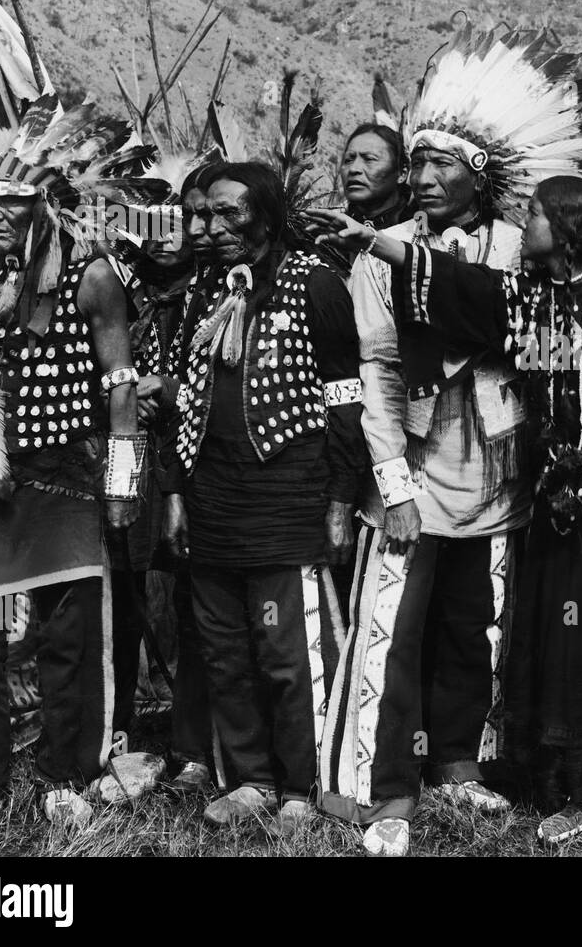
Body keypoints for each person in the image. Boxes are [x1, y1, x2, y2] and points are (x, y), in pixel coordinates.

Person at [309, 20, 582, 856]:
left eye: (445, 164)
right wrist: (394, 484)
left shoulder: (518, 250)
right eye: (419, 164)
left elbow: (521, 324)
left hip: (496, 468)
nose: (426, 177)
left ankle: (456, 762)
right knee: (393, 627)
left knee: (472, 624)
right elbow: (375, 370)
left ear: (481, 178)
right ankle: (380, 787)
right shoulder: (383, 254)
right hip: (412, 466)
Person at [340, 176, 582, 845]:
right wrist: (379, 245)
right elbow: (465, 287)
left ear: (565, 229)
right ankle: (570, 790)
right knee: (563, 636)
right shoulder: (532, 302)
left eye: (533, 213)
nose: (523, 221)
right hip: (560, 494)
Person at [0, 97, 143, 832]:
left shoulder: (93, 278)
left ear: (47, 207)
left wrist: (121, 490)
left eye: (11, 203)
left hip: (65, 488)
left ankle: (64, 776)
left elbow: (120, 390)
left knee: (68, 644)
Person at [160, 161, 365, 835]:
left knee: (286, 651)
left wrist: (339, 496)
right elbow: (187, 402)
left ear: (268, 217)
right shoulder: (206, 291)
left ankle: (302, 787)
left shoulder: (316, 284)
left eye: (230, 214)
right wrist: (176, 493)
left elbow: (345, 398)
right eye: (207, 215)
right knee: (224, 651)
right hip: (213, 498)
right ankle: (249, 778)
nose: (213, 228)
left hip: (287, 498)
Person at [106, 163, 214, 795]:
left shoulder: (217, 287)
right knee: (120, 587)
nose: (167, 232)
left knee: (195, 596)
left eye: (182, 217)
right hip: (128, 456)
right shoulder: (119, 286)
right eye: (154, 219)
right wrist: (122, 395)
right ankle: (116, 727)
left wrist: (169, 391)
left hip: (196, 459)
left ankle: (193, 737)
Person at [338, 123, 412, 231]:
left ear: (402, 173)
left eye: (369, 159)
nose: (353, 169)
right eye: (348, 160)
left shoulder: (418, 230)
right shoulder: (326, 227)